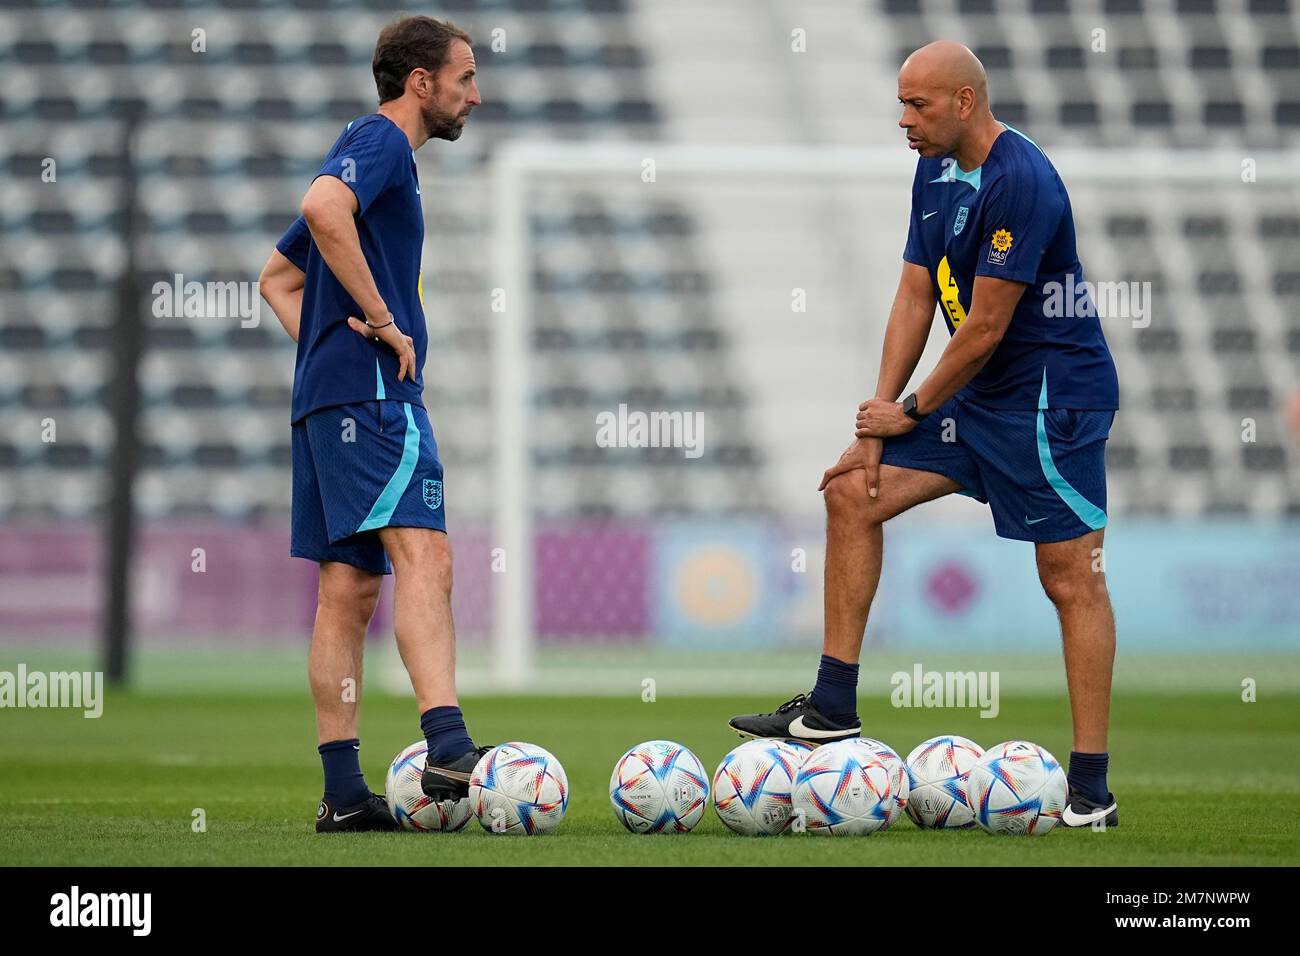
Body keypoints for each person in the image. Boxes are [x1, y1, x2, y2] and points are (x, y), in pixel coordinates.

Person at [728, 41, 1121, 828]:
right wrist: (877, 419)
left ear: (966, 102)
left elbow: (983, 328)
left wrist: (907, 411)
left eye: (919, 105)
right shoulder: (932, 167)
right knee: (851, 491)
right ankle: (834, 703)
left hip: (1049, 403)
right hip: (974, 400)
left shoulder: (1024, 180)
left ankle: (1090, 790)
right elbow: (914, 294)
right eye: (901, 104)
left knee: (1069, 577)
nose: (905, 120)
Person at [258, 15, 487, 832]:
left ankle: (344, 793)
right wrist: (383, 325)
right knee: (425, 550)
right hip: (376, 400)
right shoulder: (383, 141)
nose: (475, 93)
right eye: (464, 76)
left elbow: (277, 278)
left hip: (326, 400)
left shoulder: (378, 155)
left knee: (347, 591)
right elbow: (323, 209)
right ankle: (449, 741)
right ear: (421, 82)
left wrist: (329, 355)